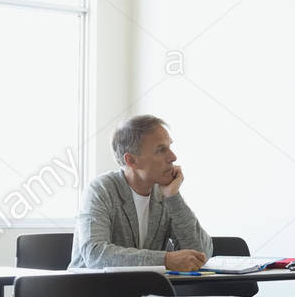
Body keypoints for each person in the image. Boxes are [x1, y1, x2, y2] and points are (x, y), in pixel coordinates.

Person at [69, 115, 212, 270]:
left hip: (146, 291)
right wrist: (166, 260)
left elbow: (200, 254)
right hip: (91, 290)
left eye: (170, 147)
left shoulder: (164, 194)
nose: (173, 157)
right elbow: (96, 255)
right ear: (131, 161)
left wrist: (173, 197)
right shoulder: (100, 190)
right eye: (161, 150)